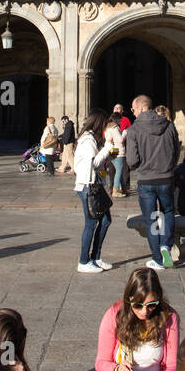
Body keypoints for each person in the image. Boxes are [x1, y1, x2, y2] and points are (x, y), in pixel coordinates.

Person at [126, 94, 180, 272]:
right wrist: (168, 167)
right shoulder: (169, 125)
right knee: (169, 211)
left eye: (133, 109)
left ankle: (157, 259)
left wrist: (141, 165)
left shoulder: (134, 130)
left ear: (141, 108)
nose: (132, 113)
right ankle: (166, 244)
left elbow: (132, 160)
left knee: (151, 219)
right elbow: (176, 151)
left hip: (146, 180)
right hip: (166, 178)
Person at [74, 109, 113, 274]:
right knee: (91, 223)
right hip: (87, 186)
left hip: (94, 184)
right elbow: (94, 163)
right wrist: (108, 148)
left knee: (105, 220)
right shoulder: (88, 140)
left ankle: (95, 257)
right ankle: (84, 261)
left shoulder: (90, 139)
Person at [104, 112, 126, 198]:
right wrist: (124, 133)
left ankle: (122, 188)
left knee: (118, 170)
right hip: (118, 150)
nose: (121, 121)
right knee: (119, 171)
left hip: (113, 150)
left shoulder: (108, 127)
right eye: (120, 119)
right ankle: (115, 190)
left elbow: (108, 139)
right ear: (117, 119)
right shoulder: (115, 128)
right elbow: (120, 140)